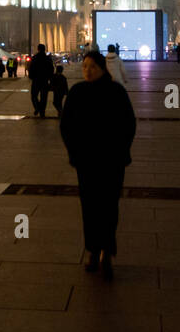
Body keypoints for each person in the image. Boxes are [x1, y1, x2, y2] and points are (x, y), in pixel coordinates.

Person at [59, 49, 137, 280]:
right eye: (84, 67)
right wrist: (74, 152)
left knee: (109, 208)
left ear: (103, 68)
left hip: (112, 162)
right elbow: (66, 126)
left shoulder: (116, 92)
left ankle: (107, 253)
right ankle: (93, 251)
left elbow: (128, 125)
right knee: (90, 208)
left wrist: (122, 150)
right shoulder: (77, 92)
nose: (88, 71)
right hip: (87, 162)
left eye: (92, 66)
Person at [27, 43, 55, 117]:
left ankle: (37, 107)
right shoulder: (48, 58)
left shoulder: (35, 58)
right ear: (44, 49)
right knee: (44, 97)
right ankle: (42, 112)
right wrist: (50, 79)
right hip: (44, 80)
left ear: (38, 49)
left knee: (34, 96)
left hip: (36, 80)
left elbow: (31, 68)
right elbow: (51, 69)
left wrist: (31, 77)